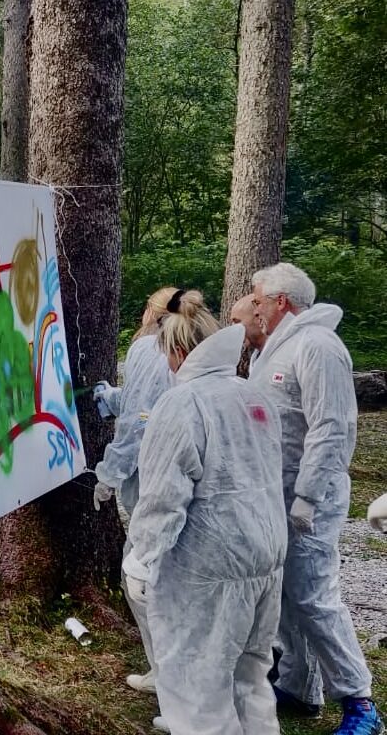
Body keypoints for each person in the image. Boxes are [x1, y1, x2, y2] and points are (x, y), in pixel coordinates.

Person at [123, 291, 286, 735]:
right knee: (250, 677)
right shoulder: (249, 394)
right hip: (264, 555)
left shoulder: (182, 404)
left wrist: (142, 557)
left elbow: (162, 497)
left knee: (198, 682)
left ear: (177, 351)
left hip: (208, 566)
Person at [249, 262, 382, 733]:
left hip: (308, 500)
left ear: (281, 301)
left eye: (259, 299)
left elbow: (333, 428)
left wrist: (307, 496)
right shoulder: (277, 348)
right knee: (287, 592)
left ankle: (360, 700)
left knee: (315, 597)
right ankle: (301, 686)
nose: (255, 308)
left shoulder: (318, 346)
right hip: (275, 492)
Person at [91, 287, 176, 694]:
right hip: (184, 474)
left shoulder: (148, 348)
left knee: (141, 577)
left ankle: (169, 674)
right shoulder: (196, 344)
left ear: (149, 312)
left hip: (154, 476)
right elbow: (146, 402)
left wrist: (109, 473)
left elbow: (139, 420)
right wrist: (112, 397)